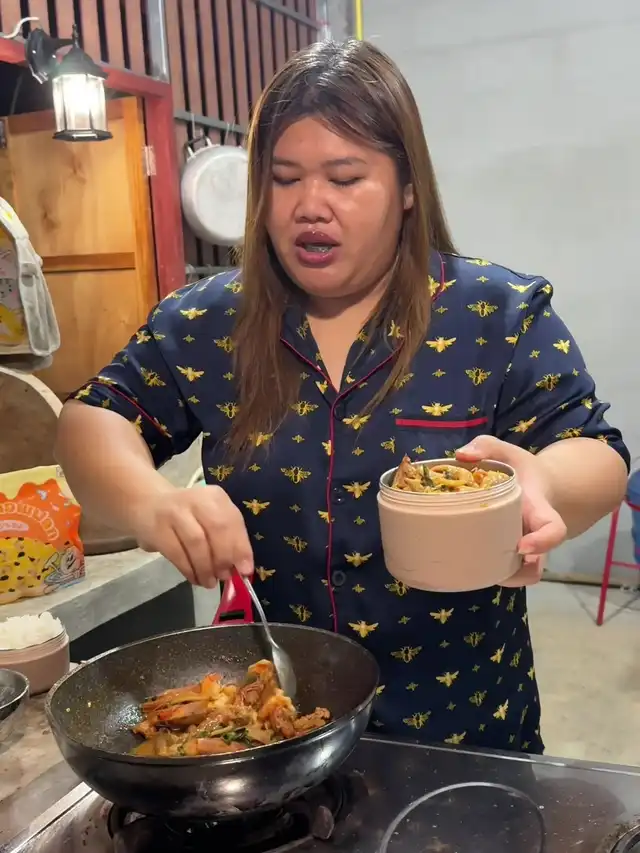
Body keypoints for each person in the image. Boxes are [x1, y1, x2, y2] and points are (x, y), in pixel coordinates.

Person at [55, 39, 628, 754]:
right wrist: (152, 502)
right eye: (284, 179)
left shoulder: (496, 314)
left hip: (462, 727)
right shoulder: (206, 323)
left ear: (408, 186)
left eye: (346, 178)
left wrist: (540, 483)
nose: (310, 206)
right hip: (276, 727)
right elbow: (91, 418)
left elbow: (596, 453)